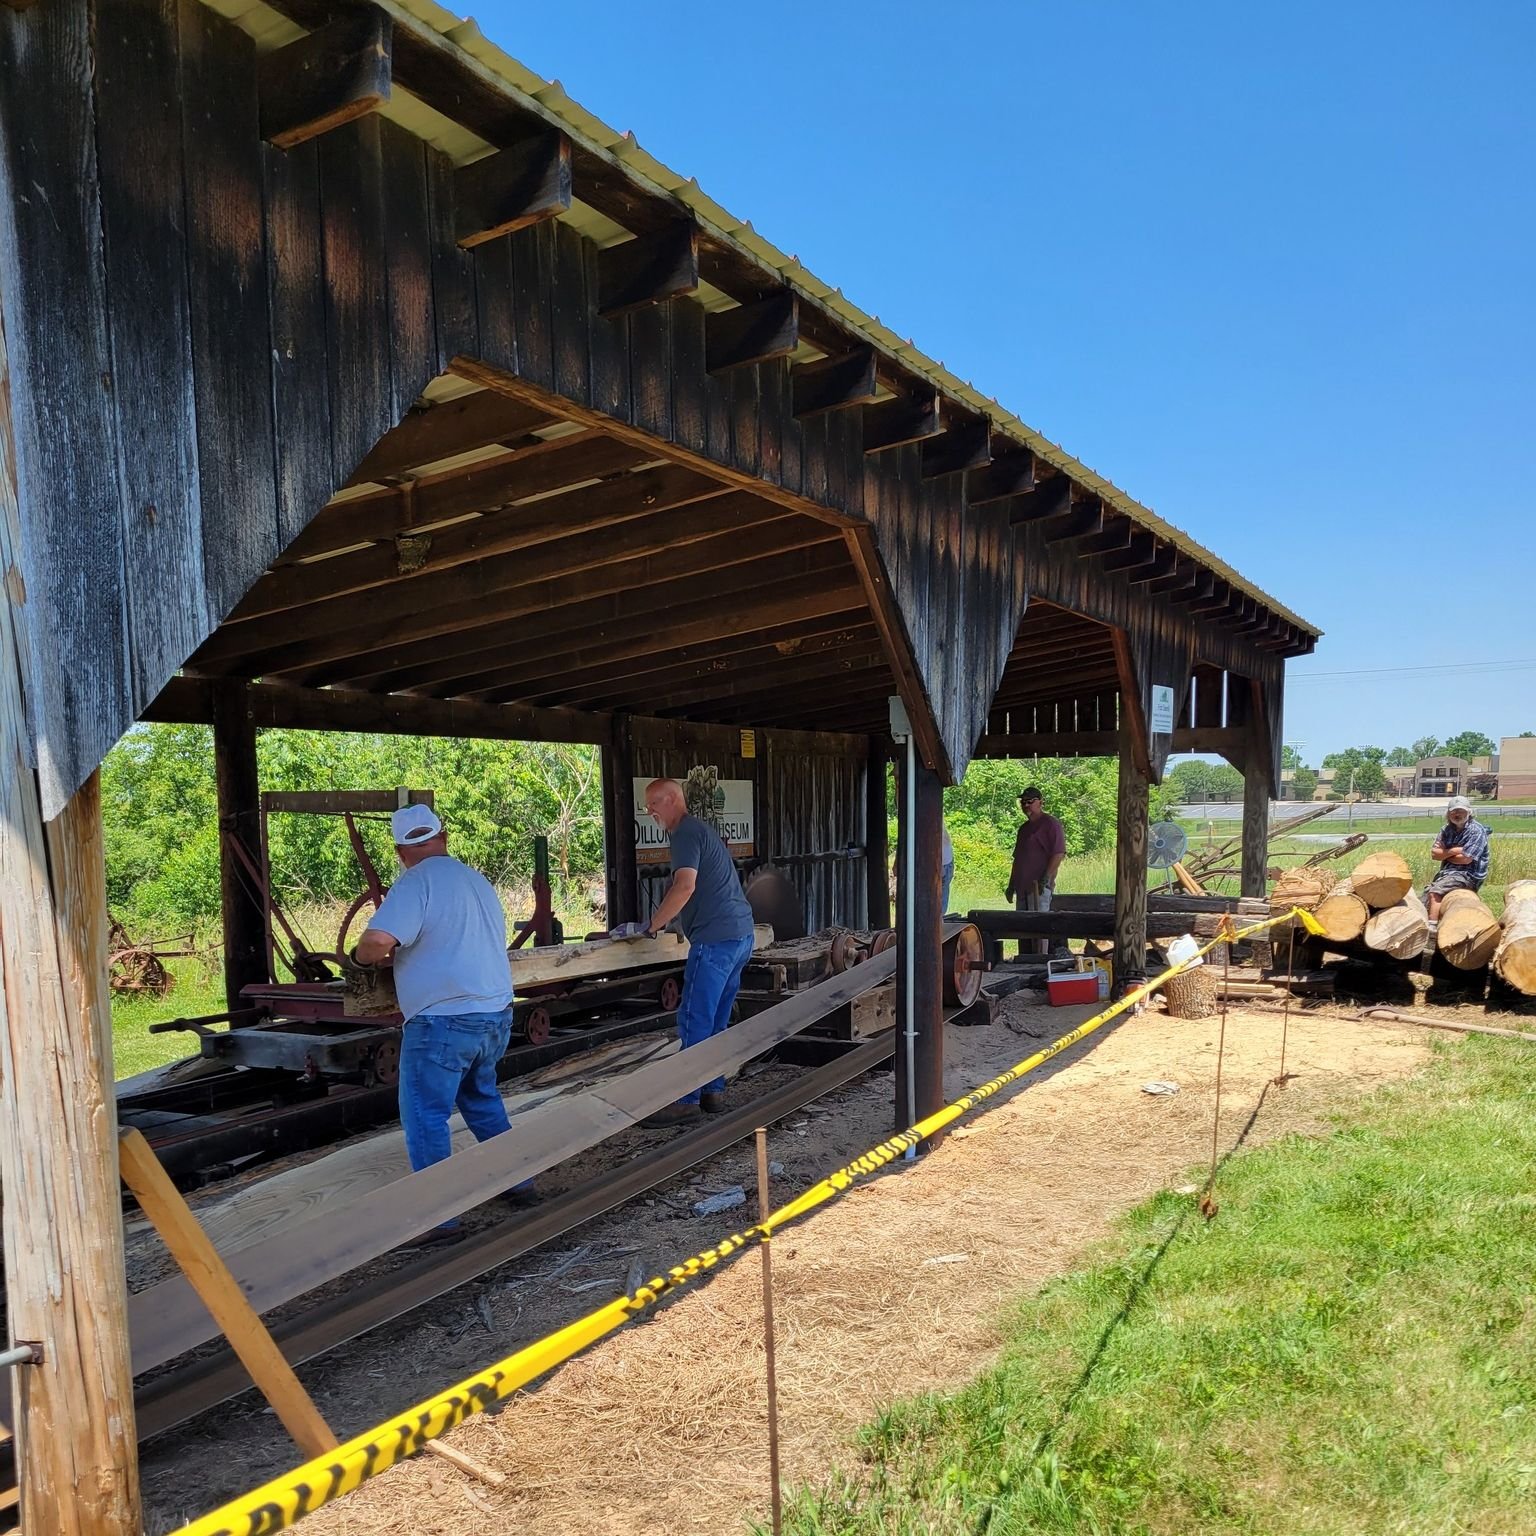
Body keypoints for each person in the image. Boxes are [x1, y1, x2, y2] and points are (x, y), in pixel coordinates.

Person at [354, 805, 532, 1246]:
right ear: (444, 836)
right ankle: (519, 1182)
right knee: (481, 1097)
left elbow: (378, 942)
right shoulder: (477, 880)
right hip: (495, 1014)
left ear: (400, 851)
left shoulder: (416, 883)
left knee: (426, 1114)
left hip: (443, 1021)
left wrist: (357, 961)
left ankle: (440, 1217)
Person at [637, 777, 756, 1126]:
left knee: (694, 1018)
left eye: (654, 803)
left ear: (673, 800)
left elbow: (684, 886)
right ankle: (712, 1091)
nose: (649, 812)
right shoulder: (699, 831)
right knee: (716, 1019)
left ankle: (686, 1100)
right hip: (739, 936)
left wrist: (653, 925)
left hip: (716, 941)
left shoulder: (686, 833)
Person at [1004, 786, 1066, 956]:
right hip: (1022, 887)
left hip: (1038, 887)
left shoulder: (1050, 824)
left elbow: (1058, 853)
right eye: (1023, 802)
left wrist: (1045, 878)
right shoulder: (1023, 829)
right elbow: (1018, 859)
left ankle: (1039, 960)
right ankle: (1025, 960)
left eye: (1031, 802)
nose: (1026, 805)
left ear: (1040, 802)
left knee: (1038, 928)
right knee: (1022, 928)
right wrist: (1011, 885)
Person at [1424, 794, 1491, 933]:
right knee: (1423, 897)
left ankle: (1431, 929)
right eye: (1453, 811)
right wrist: (1455, 850)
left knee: (1435, 892)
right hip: (1448, 873)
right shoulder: (1446, 830)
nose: (1457, 814)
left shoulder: (1477, 831)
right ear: (1448, 814)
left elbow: (1466, 859)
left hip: (1469, 874)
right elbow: (1435, 854)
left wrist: (1445, 854)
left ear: (1469, 812)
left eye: (1461, 811)